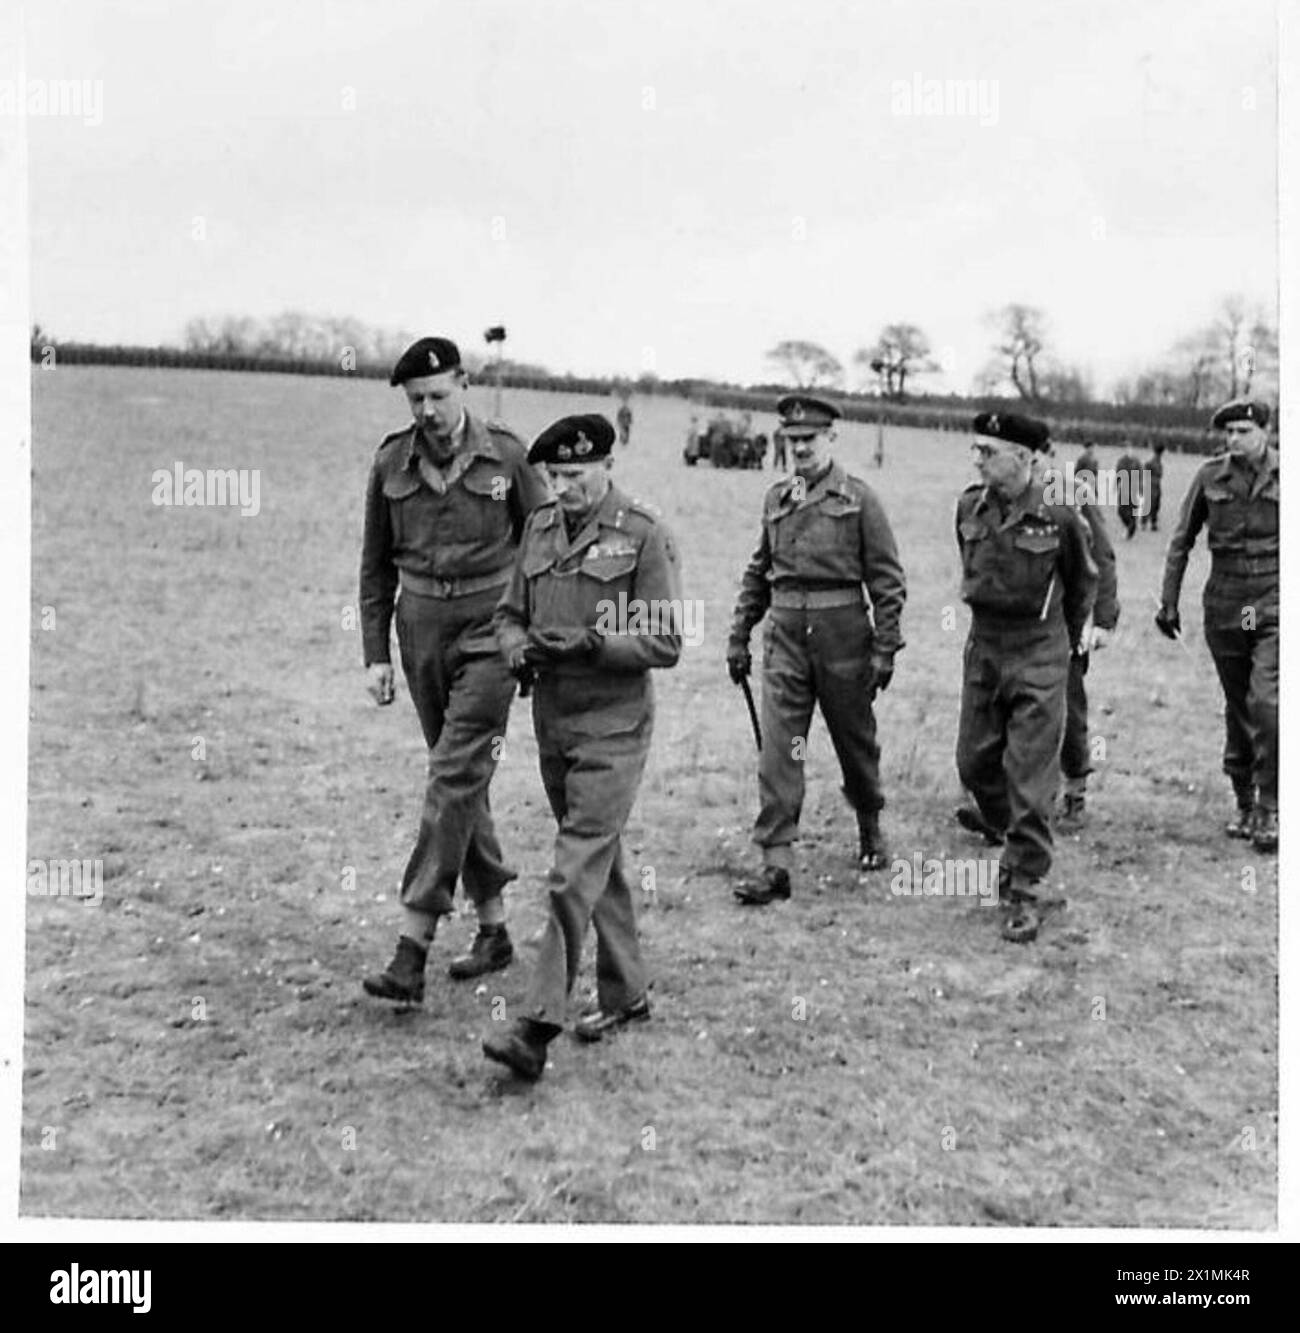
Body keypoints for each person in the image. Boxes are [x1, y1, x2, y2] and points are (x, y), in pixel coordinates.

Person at [483, 414, 682, 1080]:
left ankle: (537, 1025)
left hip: (615, 726)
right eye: (553, 475)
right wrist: (516, 650)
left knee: (572, 870)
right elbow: (509, 613)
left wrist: (596, 643)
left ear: (606, 465)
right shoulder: (538, 528)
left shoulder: (642, 535)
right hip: (553, 721)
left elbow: (665, 642)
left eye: (575, 474)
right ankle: (627, 992)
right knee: (599, 858)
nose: (562, 487)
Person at [359, 336, 549, 1004]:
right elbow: (374, 565)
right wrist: (376, 654)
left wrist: (532, 636)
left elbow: (544, 543)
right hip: (420, 635)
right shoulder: (390, 460)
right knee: (461, 779)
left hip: (491, 632)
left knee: (452, 772)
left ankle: (412, 944)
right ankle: (494, 927)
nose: (429, 410)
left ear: (463, 385)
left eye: (439, 395)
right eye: (417, 400)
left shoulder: (509, 454)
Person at [726, 394, 906, 904]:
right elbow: (759, 572)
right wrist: (739, 633)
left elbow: (888, 581)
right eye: (793, 439)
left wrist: (885, 648)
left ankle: (870, 822)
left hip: (843, 636)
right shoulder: (776, 498)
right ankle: (775, 862)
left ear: (831, 438)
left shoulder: (860, 499)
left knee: (855, 743)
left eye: (810, 439)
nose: (800, 448)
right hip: (785, 638)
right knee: (779, 751)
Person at [953, 412, 1097, 943]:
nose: (978, 459)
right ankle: (1004, 829)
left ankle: (1026, 887)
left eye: (988, 451)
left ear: (1026, 458)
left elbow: (1083, 579)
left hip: (1039, 649)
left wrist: (1069, 642)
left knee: (1031, 776)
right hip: (985, 646)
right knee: (973, 760)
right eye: (976, 450)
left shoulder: (1059, 512)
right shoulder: (969, 505)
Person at [1156, 399, 1278, 853]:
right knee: (1239, 702)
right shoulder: (1210, 476)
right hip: (1226, 601)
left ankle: (1271, 803)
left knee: (1267, 700)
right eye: (1227, 433)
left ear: (1265, 430)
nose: (1233, 440)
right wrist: (1168, 602)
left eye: (1243, 431)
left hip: (1274, 598)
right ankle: (1244, 800)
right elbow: (1181, 540)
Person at [1056, 446, 1119, 826]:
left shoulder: (1072, 493)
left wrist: (1101, 620)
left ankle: (1074, 792)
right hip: (1012, 628)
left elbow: (1103, 556)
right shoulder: (995, 494)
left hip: (1065, 624)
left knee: (1068, 709)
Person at [1115, 445, 1143, 538]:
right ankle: (1130, 525)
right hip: (1124, 487)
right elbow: (1118, 474)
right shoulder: (1121, 461)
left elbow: (1141, 476)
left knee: (1132, 509)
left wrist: (1140, 488)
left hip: (1133, 487)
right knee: (1121, 510)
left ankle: (1131, 528)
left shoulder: (1137, 462)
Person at [1141, 440, 1166, 531]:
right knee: (1149, 504)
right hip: (1151, 485)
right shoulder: (1151, 462)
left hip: (1156, 485)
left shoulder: (1157, 461)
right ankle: (1145, 523)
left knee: (1156, 505)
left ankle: (1152, 523)